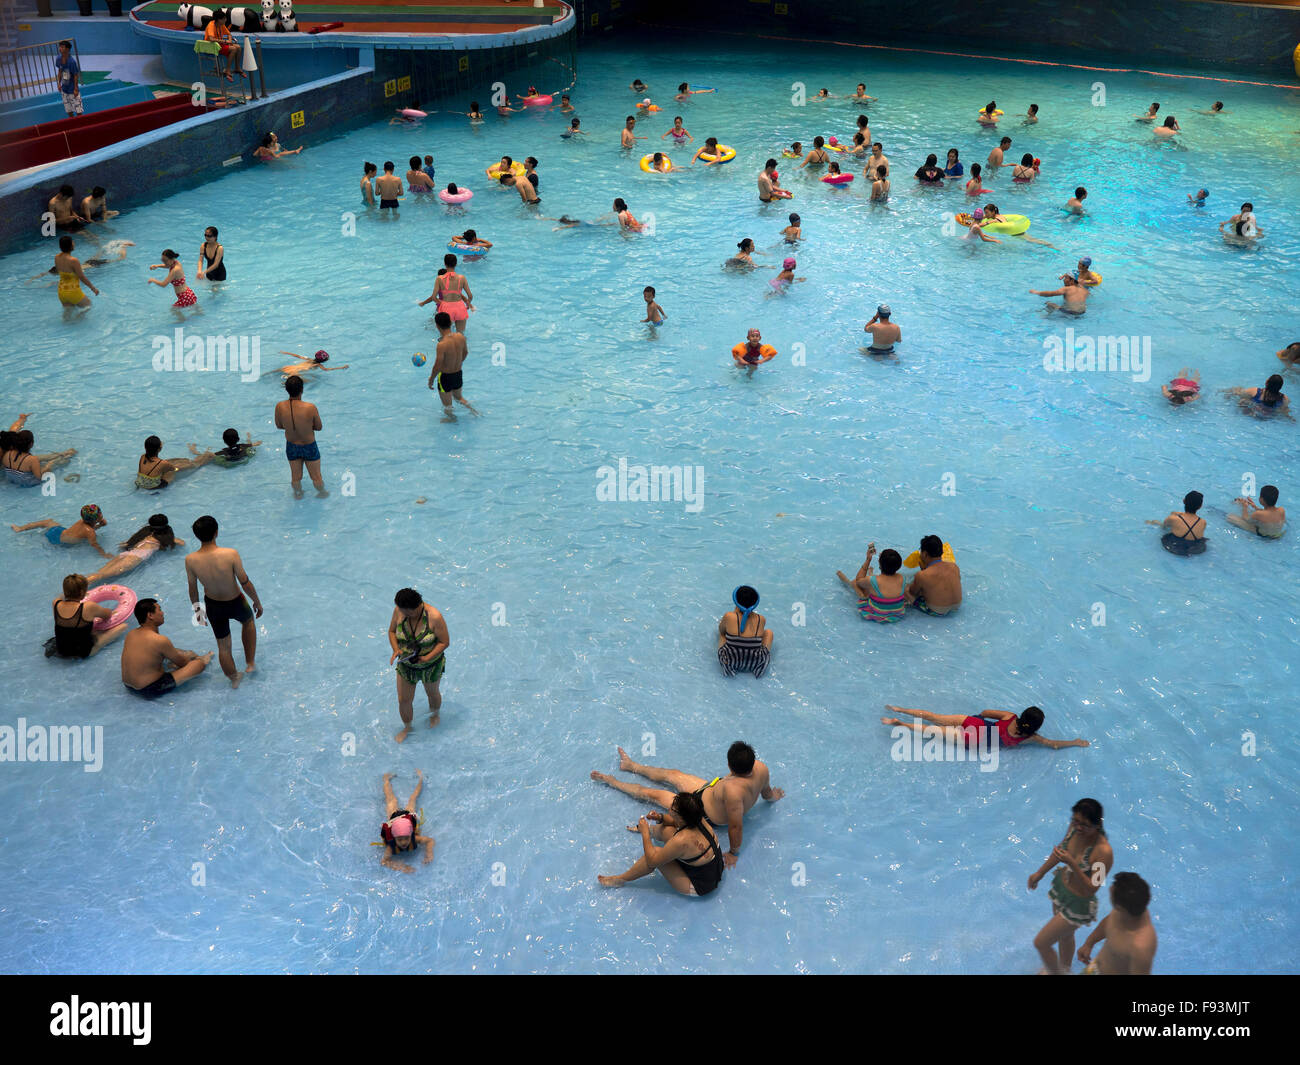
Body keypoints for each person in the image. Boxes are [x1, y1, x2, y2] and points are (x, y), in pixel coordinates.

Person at [592, 741, 783, 868]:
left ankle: (612, 781)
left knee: (653, 794)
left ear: (730, 766)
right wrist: (774, 796)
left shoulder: (734, 792)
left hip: (701, 811)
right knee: (672, 774)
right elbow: (766, 793)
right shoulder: (761, 768)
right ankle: (632, 766)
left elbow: (735, 825)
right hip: (708, 790)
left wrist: (733, 852)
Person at [1029, 799, 1114, 975]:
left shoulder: (1103, 852)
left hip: (1078, 904)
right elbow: (1061, 850)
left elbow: (1093, 889)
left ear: (1097, 825)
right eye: (1075, 821)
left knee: (1041, 943)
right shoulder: (1074, 828)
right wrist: (1040, 873)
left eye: (1085, 825)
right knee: (1065, 936)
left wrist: (1072, 863)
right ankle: (1065, 969)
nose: (1078, 827)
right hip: (1061, 891)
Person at [597, 791, 724, 896]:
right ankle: (649, 830)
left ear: (680, 816)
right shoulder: (697, 818)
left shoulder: (681, 840)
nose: (670, 807)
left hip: (700, 885)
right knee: (665, 829)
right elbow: (676, 823)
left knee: (655, 853)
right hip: (715, 866)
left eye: (673, 807)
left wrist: (645, 833)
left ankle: (620, 879)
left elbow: (652, 861)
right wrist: (660, 818)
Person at [185, 515, 262, 688]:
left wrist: (198, 610)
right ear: (216, 532)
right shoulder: (230, 554)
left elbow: (192, 588)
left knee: (223, 646)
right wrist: (257, 601)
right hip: (235, 601)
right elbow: (245, 582)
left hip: (213, 605)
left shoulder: (190, 560)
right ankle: (250, 664)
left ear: (197, 536)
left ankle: (234, 678)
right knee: (248, 622)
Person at [880, 704, 1090, 751]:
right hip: (973, 739)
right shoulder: (1030, 738)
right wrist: (1074, 742)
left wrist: (976, 717)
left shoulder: (1010, 716)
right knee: (930, 731)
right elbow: (1052, 745)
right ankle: (900, 724)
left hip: (974, 723)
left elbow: (987, 712)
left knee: (935, 717)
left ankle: (900, 710)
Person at [388, 588, 449, 742]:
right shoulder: (399, 610)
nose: (405, 615)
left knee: (432, 693)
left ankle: (435, 715)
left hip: (431, 665)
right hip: (406, 665)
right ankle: (407, 727)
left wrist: (427, 658)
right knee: (404, 700)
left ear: (417, 607)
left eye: (408, 613)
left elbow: (444, 642)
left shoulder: (434, 616)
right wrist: (396, 650)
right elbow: (392, 631)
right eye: (403, 612)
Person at [120, 598, 212, 700]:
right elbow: (184, 663)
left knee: (170, 652)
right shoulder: (159, 640)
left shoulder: (131, 634)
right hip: (148, 689)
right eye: (159, 609)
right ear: (150, 615)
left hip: (128, 686)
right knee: (198, 665)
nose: (162, 613)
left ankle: (175, 662)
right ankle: (204, 659)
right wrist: (197, 659)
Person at [1077, 873, 1158, 975]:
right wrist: (1089, 943)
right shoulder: (1130, 907)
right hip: (1094, 968)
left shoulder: (1140, 947)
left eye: (1112, 889)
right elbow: (1109, 921)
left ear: (1119, 907)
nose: (1110, 887)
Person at [46, 573, 128, 660]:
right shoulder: (88, 607)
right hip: (82, 652)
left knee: (84, 628)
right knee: (123, 626)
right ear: (82, 592)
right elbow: (108, 615)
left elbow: (62, 597)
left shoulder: (56, 603)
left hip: (62, 650)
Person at [86, 513, 183, 585]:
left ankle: (78, 584)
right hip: (135, 558)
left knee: (98, 573)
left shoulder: (145, 531)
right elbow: (181, 543)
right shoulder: (164, 538)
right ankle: (76, 590)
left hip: (127, 553)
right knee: (101, 576)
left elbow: (127, 544)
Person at [275, 375, 326, 497]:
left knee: (295, 477)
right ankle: (322, 493)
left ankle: (298, 494)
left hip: (291, 446)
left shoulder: (279, 406)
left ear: (286, 389)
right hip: (309, 446)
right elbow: (319, 427)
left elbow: (279, 425)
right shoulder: (310, 407)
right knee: (316, 477)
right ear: (302, 389)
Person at [426, 311, 480, 420]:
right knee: (459, 397)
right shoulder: (460, 337)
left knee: (448, 406)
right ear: (451, 323)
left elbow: (437, 365)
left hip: (445, 377)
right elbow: (466, 353)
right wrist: (457, 363)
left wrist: (431, 379)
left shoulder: (441, 344)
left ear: (437, 326)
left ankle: (451, 419)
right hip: (458, 374)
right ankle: (474, 411)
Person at [378, 772, 435, 872]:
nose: (403, 842)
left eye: (406, 838)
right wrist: (402, 867)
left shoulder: (415, 838)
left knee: (413, 798)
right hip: (394, 818)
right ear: (394, 837)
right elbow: (384, 861)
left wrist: (429, 854)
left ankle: (421, 778)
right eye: (399, 839)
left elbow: (430, 841)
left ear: (411, 835)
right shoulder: (391, 847)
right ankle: (386, 779)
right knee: (391, 799)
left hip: (407, 817)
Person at [837, 542, 906, 621]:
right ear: (899, 565)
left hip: (878, 614)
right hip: (897, 614)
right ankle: (871, 573)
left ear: (880, 564)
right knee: (873, 584)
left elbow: (858, 580)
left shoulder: (873, 580)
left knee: (854, 583)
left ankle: (847, 582)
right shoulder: (902, 578)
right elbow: (886, 581)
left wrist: (868, 559)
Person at [12, 502, 111, 557]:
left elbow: (86, 530)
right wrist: (104, 554)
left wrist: (100, 525)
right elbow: (94, 544)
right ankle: (22, 530)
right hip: (57, 541)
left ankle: (20, 528)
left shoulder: (82, 521)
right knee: (42, 535)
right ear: (97, 519)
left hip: (59, 531)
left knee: (47, 522)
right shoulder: (91, 532)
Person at [716, 585, 773, 677]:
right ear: (755, 603)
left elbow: (721, 631)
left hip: (731, 661)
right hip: (754, 662)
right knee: (768, 632)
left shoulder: (729, 616)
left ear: (736, 602)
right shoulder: (761, 619)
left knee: (723, 634)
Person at [905, 534, 961, 614]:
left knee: (904, 589)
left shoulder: (922, 575)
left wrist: (923, 572)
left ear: (925, 554)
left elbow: (913, 593)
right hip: (956, 607)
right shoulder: (954, 567)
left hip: (937, 611)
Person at [419, 253, 474, 332]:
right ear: (456, 264)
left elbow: (434, 297)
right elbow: (470, 296)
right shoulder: (462, 278)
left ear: (445, 264)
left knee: (446, 336)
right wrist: (468, 305)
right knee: (460, 334)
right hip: (460, 308)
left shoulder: (439, 278)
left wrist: (441, 303)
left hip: (446, 308)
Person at [2, 428, 75, 486]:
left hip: (13, 478)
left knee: (40, 458)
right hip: (28, 482)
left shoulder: (8, 454)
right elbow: (39, 477)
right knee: (55, 462)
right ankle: (65, 455)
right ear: (31, 444)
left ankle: (62, 453)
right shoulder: (32, 459)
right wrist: (48, 466)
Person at [135, 434, 212, 490]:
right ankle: (200, 461)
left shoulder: (143, 456)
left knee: (168, 462)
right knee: (175, 469)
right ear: (159, 449)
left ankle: (190, 459)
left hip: (141, 482)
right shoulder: (162, 463)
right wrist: (191, 465)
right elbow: (176, 469)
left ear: (145, 447)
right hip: (153, 486)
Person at [1147, 490, 1207, 555]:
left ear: (1184, 501)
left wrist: (1156, 523)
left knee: (1158, 523)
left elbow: (1164, 527)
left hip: (1176, 545)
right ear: (1200, 507)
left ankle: (1154, 522)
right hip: (1196, 547)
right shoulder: (1203, 522)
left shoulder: (1173, 518)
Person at [53, 235, 97, 310]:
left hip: (61, 292)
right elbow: (82, 277)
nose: (74, 243)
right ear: (70, 245)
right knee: (88, 306)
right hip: (73, 291)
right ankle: (78, 318)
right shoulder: (73, 260)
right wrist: (93, 288)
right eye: (72, 242)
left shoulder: (56, 257)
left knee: (68, 313)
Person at [1224, 374, 1288, 417]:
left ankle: (1223, 391)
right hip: (1267, 417)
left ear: (1266, 382)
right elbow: (1284, 411)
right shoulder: (1284, 399)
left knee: (1238, 391)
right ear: (1280, 387)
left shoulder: (1254, 391)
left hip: (1252, 413)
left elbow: (1241, 395)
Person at [203, 9, 241, 81]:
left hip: (219, 44)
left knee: (238, 47)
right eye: (224, 18)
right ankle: (227, 70)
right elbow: (211, 39)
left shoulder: (221, 25)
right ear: (218, 20)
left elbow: (229, 34)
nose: (226, 20)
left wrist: (229, 40)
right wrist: (225, 41)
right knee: (233, 49)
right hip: (212, 46)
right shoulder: (211, 25)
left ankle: (237, 68)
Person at [192, 428, 261, 467]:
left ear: (224, 442)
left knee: (208, 454)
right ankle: (248, 438)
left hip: (230, 463)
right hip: (243, 457)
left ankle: (195, 452)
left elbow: (213, 455)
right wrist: (250, 439)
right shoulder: (242, 445)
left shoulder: (225, 451)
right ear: (238, 439)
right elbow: (254, 444)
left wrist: (207, 451)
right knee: (249, 445)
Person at [275, 349, 350, 377]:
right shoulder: (318, 365)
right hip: (295, 373)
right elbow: (327, 369)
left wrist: (285, 352)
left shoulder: (309, 359)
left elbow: (297, 356)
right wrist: (341, 367)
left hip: (289, 367)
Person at [55, 39, 82, 116]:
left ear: (67, 49)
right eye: (60, 47)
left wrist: (76, 89)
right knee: (68, 111)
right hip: (64, 89)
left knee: (78, 110)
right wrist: (59, 84)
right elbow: (60, 71)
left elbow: (76, 75)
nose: (60, 48)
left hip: (72, 90)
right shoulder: (58, 59)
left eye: (62, 47)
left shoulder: (72, 62)